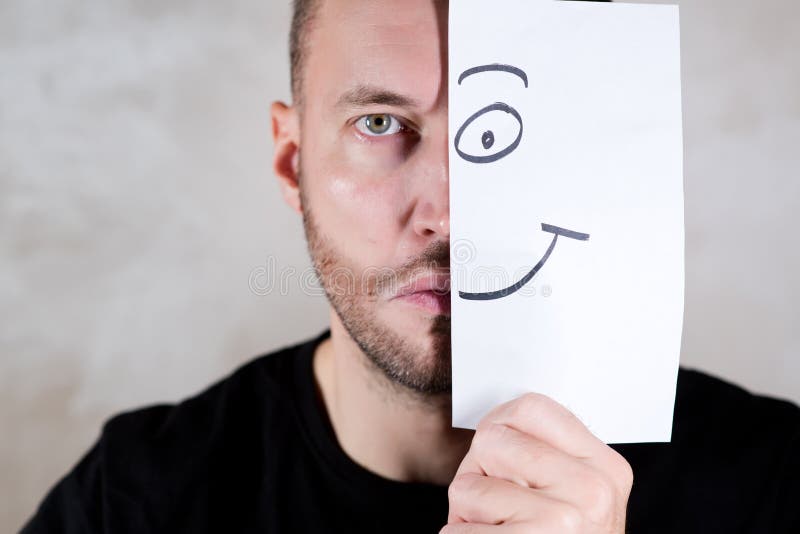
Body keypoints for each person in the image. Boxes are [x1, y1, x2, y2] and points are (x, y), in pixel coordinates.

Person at [22, 1, 799, 532]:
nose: (449, 214)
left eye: (502, 132)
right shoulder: (135, 498)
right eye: (380, 123)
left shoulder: (770, 480)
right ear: (292, 162)